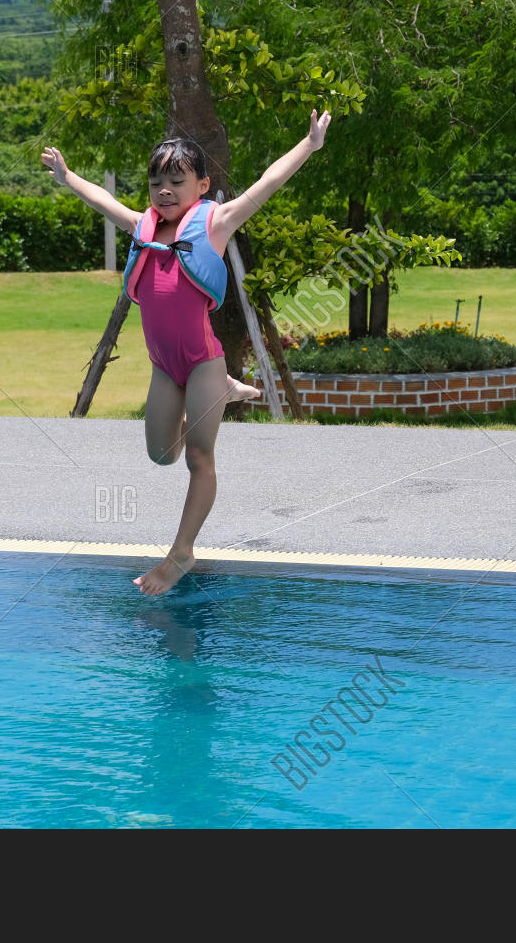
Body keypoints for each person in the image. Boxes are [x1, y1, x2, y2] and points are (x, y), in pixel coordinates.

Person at [41, 108, 332, 595]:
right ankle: (225, 393)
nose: (165, 191)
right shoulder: (142, 225)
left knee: (198, 455)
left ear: (203, 185)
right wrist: (67, 177)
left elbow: (267, 183)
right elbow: (103, 199)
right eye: (157, 182)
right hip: (164, 366)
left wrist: (310, 144)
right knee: (161, 455)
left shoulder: (215, 224)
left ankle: (181, 552)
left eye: (177, 181)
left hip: (202, 362)